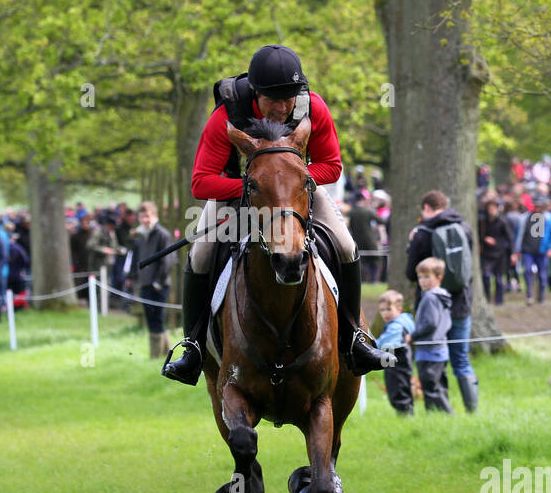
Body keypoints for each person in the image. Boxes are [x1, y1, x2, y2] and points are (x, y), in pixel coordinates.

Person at [162, 43, 394, 384]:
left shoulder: (313, 108)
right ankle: (193, 347)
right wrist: (256, 188)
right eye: (273, 99)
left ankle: (355, 338)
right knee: (201, 253)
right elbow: (201, 182)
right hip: (234, 194)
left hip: (298, 196)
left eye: (289, 98)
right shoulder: (226, 115)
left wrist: (287, 187)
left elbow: (332, 166)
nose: (282, 108)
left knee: (345, 245)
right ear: (256, 94)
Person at [405, 190, 479, 412]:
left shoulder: (422, 233)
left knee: (436, 357)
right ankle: (471, 410)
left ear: (426, 208)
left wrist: (411, 245)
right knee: (461, 358)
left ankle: (440, 409)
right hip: (460, 303)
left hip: (431, 308)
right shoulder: (464, 228)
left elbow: (411, 273)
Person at [128, 202, 174, 358]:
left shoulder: (163, 234)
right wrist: (134, 278)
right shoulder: (140, 236)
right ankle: (157, 354)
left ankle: (161, 354)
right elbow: (136, 259)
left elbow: (168, 260)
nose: (144, 219)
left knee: (158, 318)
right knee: (150, 319)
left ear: (154, 216)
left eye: (147, 216)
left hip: (159, 285)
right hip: (145, 283)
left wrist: (158, 282)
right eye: (142, 216)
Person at [409, 257, 454, 413]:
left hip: (428, 351)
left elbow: (430, 323)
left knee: (430, 388)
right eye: (420, 277)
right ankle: (441, 419)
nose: (423, 281)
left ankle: (444, 416)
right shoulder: (443, 296)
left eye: (427, 277)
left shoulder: (429, 297)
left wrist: (412, 336)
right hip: (441, 349)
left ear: (439, 277)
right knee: (440, 387)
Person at [512, 194, 551, 305]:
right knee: (527, 271)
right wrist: (517, 250)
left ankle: (541, 296)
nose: (537, 209)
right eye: (535, 206)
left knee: (542, 274)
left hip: (542, 251)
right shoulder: (524, 219)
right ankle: (529, 295)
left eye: (539, 207)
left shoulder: (548, 219)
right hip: (528, 251)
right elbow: (519, 235)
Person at [377, 290, 416, 416]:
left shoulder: (396, 327)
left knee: (397, 386)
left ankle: (404, 413)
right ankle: (406, 412)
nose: (385, 313)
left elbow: (382, 343)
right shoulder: (402, 321)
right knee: (402, 385)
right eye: (382, 310)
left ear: (399, 309)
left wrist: (367, 346)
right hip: (399, 360)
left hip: (397, 361)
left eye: (389, 309)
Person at [478, 197, 513, 306]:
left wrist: (512, 253)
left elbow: (509, 238)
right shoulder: (483, 222)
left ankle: (499, 301)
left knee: (498, 279)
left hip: (500, 254)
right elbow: (478, 235)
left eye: (493, 208)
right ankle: (487, 298)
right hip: (487, 254)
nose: (491, 211)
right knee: (486, 276)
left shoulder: (502, 221)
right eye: (490, 208)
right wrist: (484, 240)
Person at [348, 191, 382, 283]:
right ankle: (373, 280)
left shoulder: (351, 212)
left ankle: (363, 280)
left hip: (357, 241)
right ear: (363, 200)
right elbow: (380, 220)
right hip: (370, 240)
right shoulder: (367, 211)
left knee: (362, 261)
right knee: (374, 260)